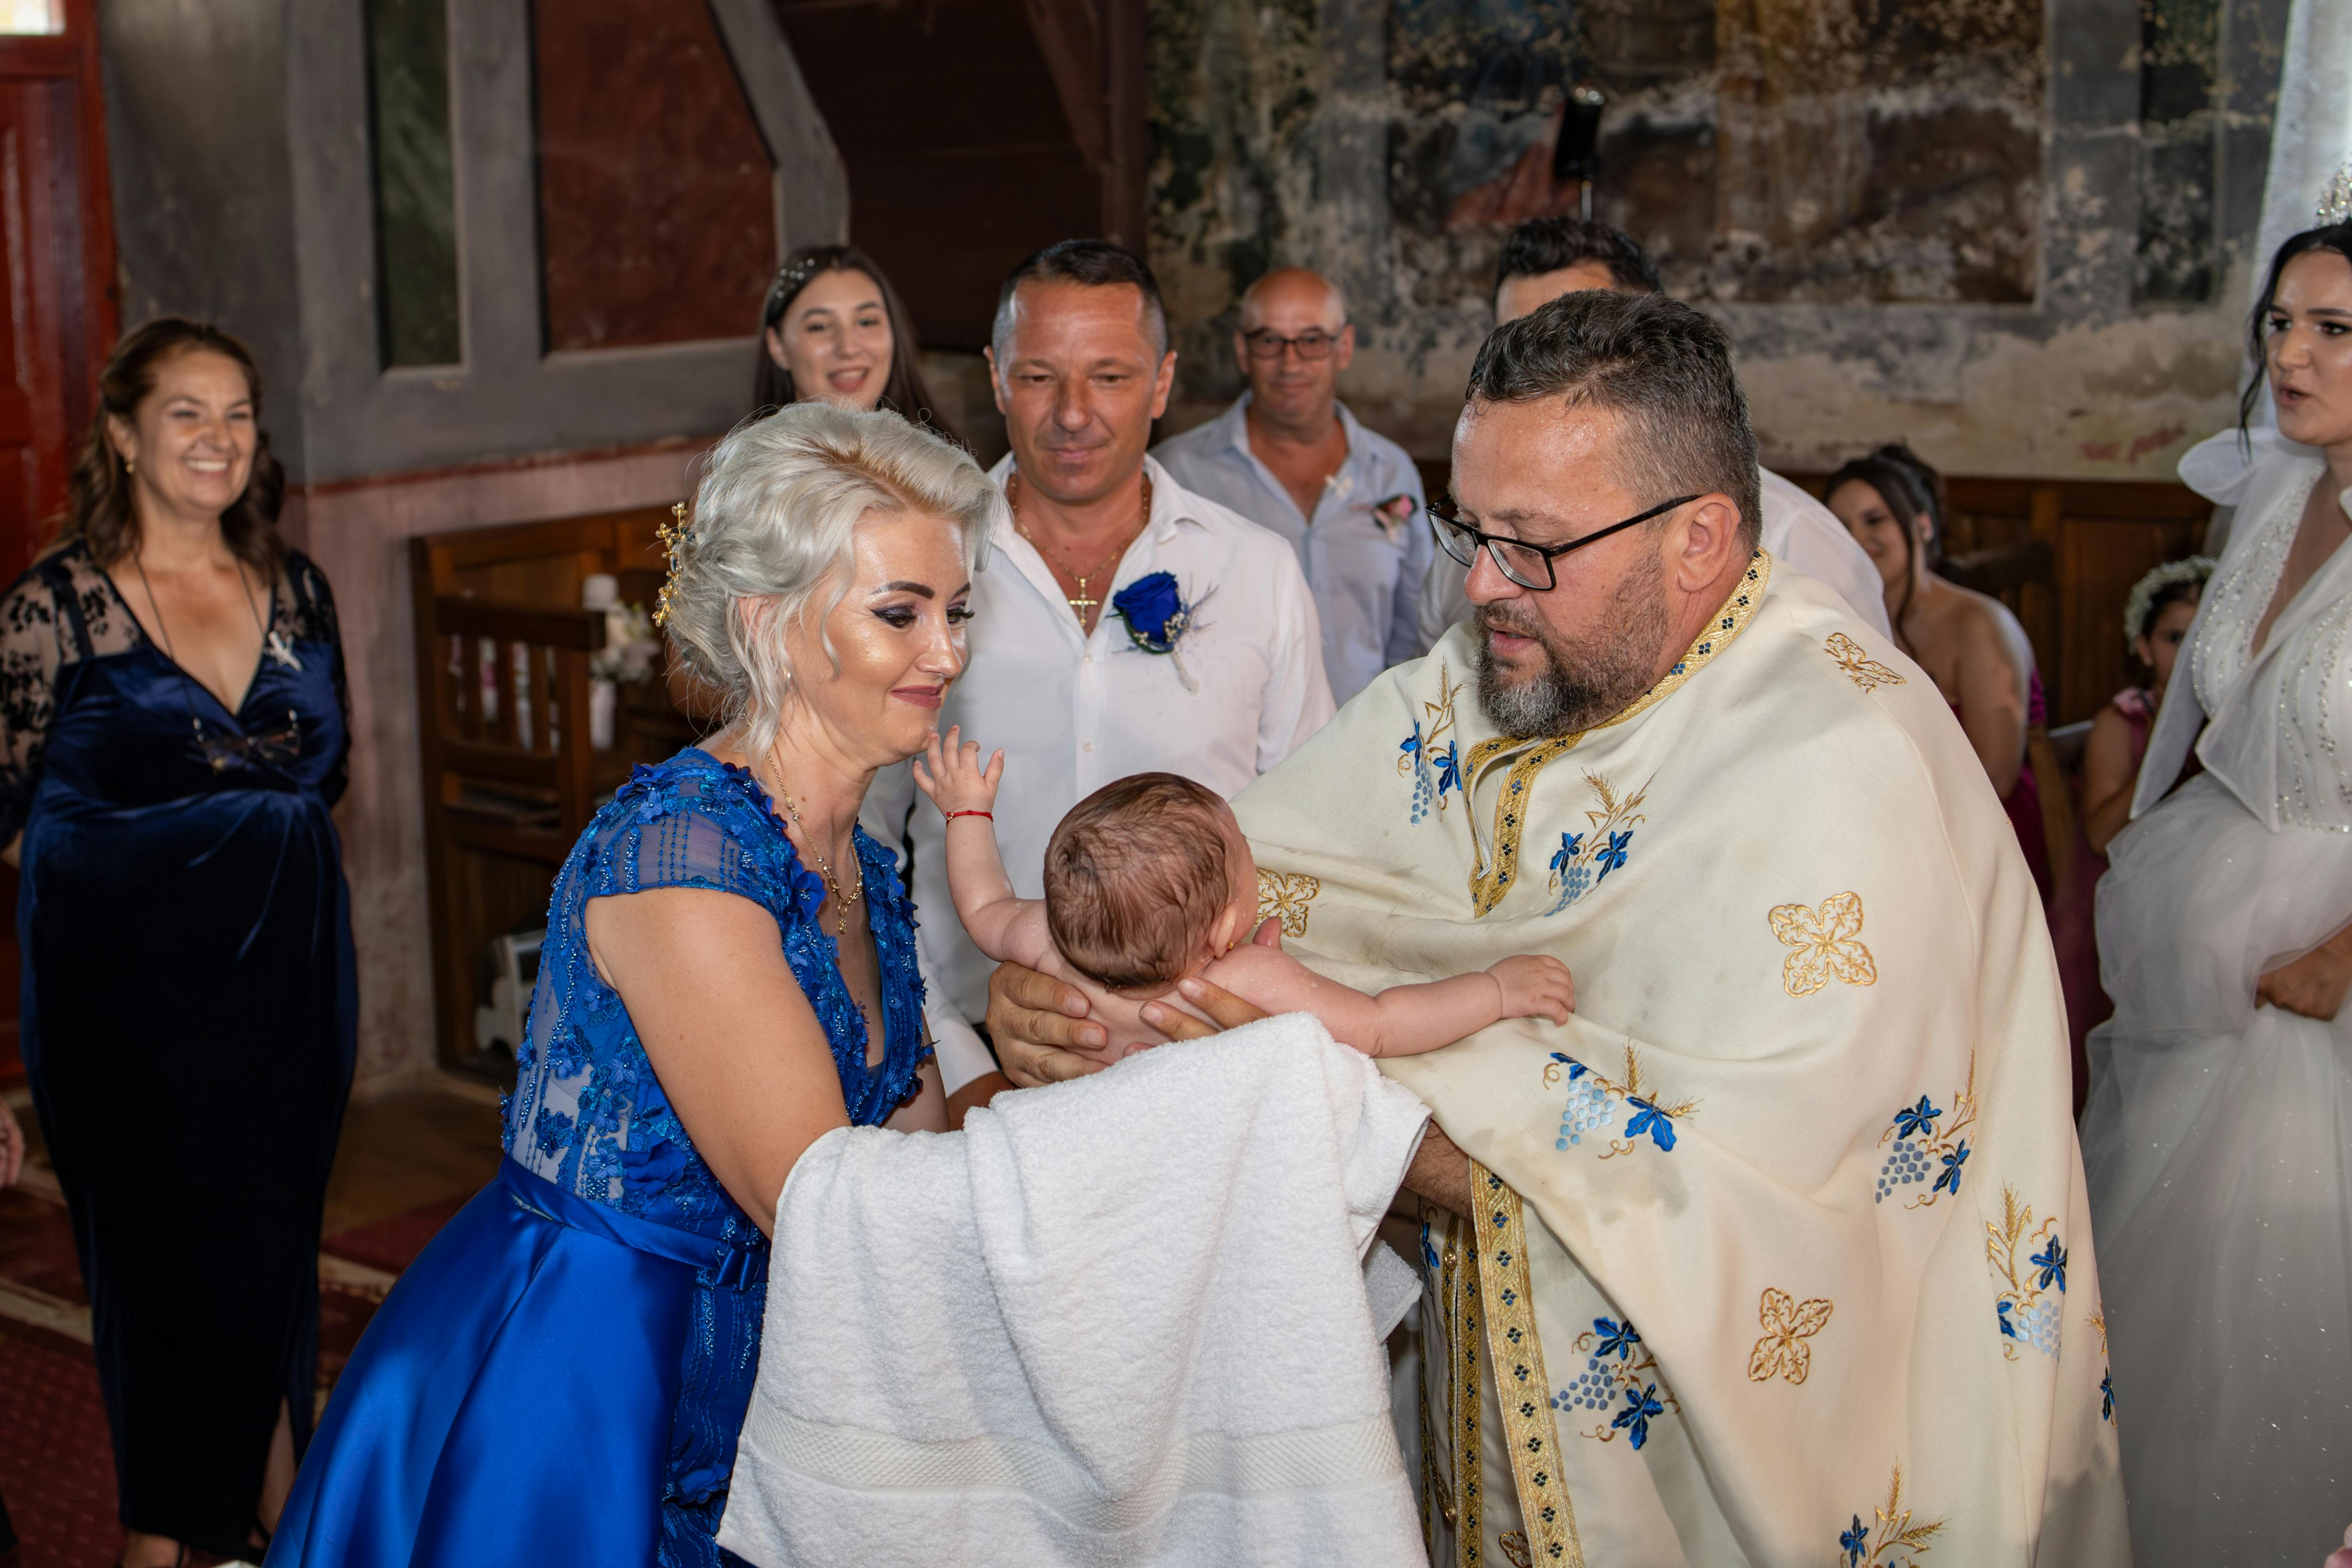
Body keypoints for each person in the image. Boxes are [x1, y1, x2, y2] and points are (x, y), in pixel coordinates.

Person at [983, 289, 2126, 1562]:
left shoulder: (1847, 765)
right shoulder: (1502, 667)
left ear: (1697, 538)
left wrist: (1323, 1103)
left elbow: (1777, 1202)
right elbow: (1251, 880)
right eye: (1469, 529)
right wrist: (1087, 991)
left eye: (1528, 542)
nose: (1477, 584)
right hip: (1479, 1409)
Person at [265, 403, 972, 1565]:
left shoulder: (863, 861)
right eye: (900, 613)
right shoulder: (685, 860)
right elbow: (824, 1200)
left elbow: (916, 1142)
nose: (945, 651)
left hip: (778, 1341)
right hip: (595, 1376)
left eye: (955, 612)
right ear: (771, 623)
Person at [0, 319, 353, 1568]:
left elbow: (322, 777)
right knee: (168, 1290)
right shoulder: (54, 612)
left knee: (263, 1260)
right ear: (123, 435)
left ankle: (281, 1514)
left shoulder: (298, 589)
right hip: (127, 1014)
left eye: (239, 412)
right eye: (187, 412)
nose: (217, 437)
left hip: (290, 995)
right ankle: (165, 1537)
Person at [860, 240, 1334, 1110]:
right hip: (974, 1060)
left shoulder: (1254, 571)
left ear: (1161, 383)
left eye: (1109, 377)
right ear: (996, 378)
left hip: (1208, 1062)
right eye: (1039, 376)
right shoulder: (917, 570)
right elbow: (861, 849)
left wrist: (1245, 1019)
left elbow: (1311, 839)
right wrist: (958, 1067)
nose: (1072, 413)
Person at [2079, 216, 2352, 1568]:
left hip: (2325, 952)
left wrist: (2337, 950)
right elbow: (2208, 715)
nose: (2287, 353)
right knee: (2166, 1286)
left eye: (2331, 330)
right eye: (2278, 322)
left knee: (2284, 1277)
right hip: (2217, 914)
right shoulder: (2271, 488)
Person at [913, 733, 1573, 1059]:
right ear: (1227, 922)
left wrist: (967, 813)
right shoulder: (1247, 975)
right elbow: (1380, 1025)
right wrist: (1495, 990)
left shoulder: (1047, 946)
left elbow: (981, 905)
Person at [1418, 217, 1892, 644]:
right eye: (1516, 338)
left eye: (1574, 337)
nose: (1538, 364)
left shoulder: (1795, 540)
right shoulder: (1469, 553)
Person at [1152, 266, 1432, 702]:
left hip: (1365, 750)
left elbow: (1417, 630)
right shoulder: (1179, 473)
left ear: (1344, 347)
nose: (1291, 362)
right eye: (1269, 341)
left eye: (1312, 340)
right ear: (1242, 351)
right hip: (1233, 755)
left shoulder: (1391, 472)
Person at [1824, 453, 2053, 885]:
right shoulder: (1841, 623)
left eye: (1875, 520)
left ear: (1922, 527)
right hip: (1887, 817)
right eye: (1842, 527)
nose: (1858, 539)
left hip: (1985, 834)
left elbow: (1997, 776)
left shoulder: (1979, 625)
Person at [753, 243, 957, 441]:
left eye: (867, 322)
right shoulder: (750, 473)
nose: (849, 348)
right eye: (820, 327)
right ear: (778, 346)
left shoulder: (949, 468)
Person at [2079, 556, 2210, 856]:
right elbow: (2100, 839)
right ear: (2145, 649)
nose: (2189, 653)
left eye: (2203, 638)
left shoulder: (2238, 717)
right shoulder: (2122, 723)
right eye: (2175, 638)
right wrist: (2159, 758)